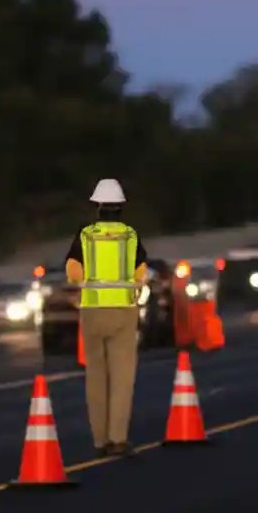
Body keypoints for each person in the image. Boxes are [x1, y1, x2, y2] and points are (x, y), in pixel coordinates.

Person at [65, 178, 148, 457]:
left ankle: (99, 440)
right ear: (121, 207)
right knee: (122, 376)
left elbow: (72, 269)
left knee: (96, 376)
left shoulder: (86, 235)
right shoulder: (130, 236)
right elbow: (140, 274)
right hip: (123, 310)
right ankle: (117, 438)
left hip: (93, 310)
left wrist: (86, 283)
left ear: (97, 207)